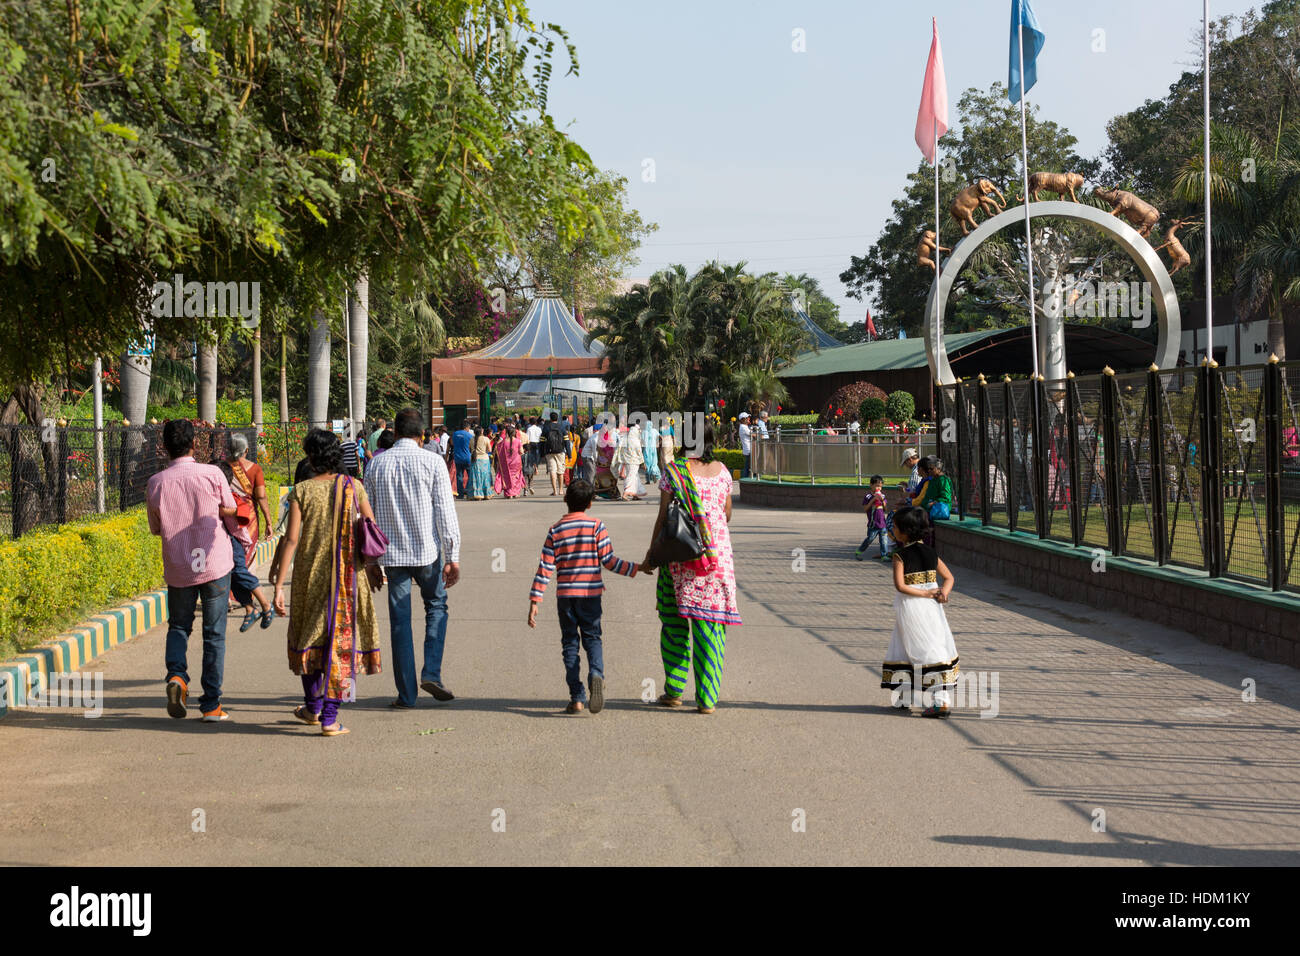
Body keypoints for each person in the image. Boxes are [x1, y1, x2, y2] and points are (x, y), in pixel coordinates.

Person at [273, 429, 383, 737]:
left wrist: (279, 585)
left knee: (308, 637)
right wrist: (373, 566)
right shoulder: (354, 486)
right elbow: (369, 528)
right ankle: (329, 718)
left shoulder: (302, 490)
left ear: (310, 458)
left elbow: (291, 539)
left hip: (311, 575)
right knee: (340, 641)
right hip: (349, 576)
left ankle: (314, 705)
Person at [641, 421, 740, 714]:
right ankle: (707, 699)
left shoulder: (674, 472)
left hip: (679, 558)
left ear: (685, 441)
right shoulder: (723, 472)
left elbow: (663, 519)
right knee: (710, 627)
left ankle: (674, 690)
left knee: (673, 624)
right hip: (715, 557)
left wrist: (651, 555)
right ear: (711, 440)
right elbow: (727, 513)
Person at [365, 407, 462, 707]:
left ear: (393, 431)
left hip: (392, 558)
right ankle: (431, 671)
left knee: (399, 622)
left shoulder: (375, 466)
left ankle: (406, 694)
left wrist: (370, 562)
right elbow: (446, 512)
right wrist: (453, 555)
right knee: (436, 605)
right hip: (427, 553)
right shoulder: (432, 461)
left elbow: (366, 519)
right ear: (422, 435)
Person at [149, 420, 238, 722]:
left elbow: (156, 527)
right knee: (214, 635)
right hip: (214, 564)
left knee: (178, 626)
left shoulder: (157, 482)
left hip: (179, 566)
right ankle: (211, 705)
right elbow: (230, 507)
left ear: (164, 447)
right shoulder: (213, 473)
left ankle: (177, 677)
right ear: (194, 445)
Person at [527, 478, 639, 714]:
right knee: (593, 638)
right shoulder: (597, 526)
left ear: (565, 499)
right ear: (590, 503)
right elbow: (609, 561)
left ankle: (576, 696)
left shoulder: (555, 530)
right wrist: (635, 568)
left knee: (569, 644)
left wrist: (535, 600)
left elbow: (545, 567)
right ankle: (596, 674)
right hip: (590, 594)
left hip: (566, 597)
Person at [880, 506, 958, 718]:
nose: (893, 530)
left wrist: (925, 594)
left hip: (911, 606)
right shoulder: (931, 553)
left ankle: (937, 701)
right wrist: (942, 593)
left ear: (905, 531)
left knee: (911, 645)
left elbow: (900, 586)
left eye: (895, 527)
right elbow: (949, 578)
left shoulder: (900, 556)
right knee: (927, 643)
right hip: (932, 609)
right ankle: (909, 697)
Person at [214, 460, 275, 631]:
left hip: (235, 542)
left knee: (239, 571)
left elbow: (243, 510)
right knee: (232, 577)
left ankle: (265, 604)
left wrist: (224, 511)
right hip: (224, 543)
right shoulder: (217, 495)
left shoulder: (229, 496)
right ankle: (250, 609)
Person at [228, 433, 272, 554]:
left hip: (227, 516)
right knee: (248, 555)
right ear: (246, 450)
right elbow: (261, 496)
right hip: (248, 517)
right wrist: (269, 522)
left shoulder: (222, 466)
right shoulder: (255, 469)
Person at [855, 475, 890, 561]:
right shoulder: (868, 496)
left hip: (882, 523)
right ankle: (859, 551)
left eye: (881, 487)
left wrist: (882, 500)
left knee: (884, 540)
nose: (879, 488)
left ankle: (884, 555)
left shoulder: (883, 496)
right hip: (873, 524)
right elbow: (866, 508)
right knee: (870, 539)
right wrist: (873, 499)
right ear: (871, 485)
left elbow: (885, 509)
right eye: (877, 486)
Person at [917, 457, 953, 521]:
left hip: (938, 510)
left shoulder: (943, 480)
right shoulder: (933, 479)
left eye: (931, 469)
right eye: (928, 468)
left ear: (938, 469)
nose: (929, 471)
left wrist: (934, 502)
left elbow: (946, 498)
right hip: (927, 509)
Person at [496, 423, 525, 498]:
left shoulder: (503, 442)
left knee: (507, 477)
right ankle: (515, 493)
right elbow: (521, 452)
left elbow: (498, 449)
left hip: (506, 463)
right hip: (516, 463)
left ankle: (509, 493)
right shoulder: (518, 441)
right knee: (516, 477)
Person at [542, 411, 568, 495]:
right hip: (560, 451)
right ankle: (561, 490)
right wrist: (569, 454)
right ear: (557, 418)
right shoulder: (561, 427)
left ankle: (555, 491)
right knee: (560, 471)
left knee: (552, 471)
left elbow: (542, 441)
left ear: (550, 418)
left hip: (549, 452)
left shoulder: (546, 427)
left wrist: (542, 453)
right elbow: (566, 441)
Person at [469, 425, 494, 500]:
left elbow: (470, 449)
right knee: (485, 477)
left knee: (476, 477)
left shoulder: (472, 439)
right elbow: (489, 450)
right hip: (484, 460)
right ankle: (486, 494)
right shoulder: (486, 439)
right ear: (481, 431)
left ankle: (477, 494)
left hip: (475, 459)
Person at [452, 420, 474, 499]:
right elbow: (472, 447)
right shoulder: (469, 435)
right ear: (466, 427)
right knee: (470, 475)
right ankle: (468, 491)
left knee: (459, 476)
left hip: (457, 458)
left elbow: (452, 443)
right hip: (467, 457)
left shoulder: (454, 434)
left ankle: (460, 494)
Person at [524, 416, 543, 495]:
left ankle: (531, 467)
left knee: (530, 457)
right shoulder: (539, 429)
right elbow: (541, 437)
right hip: (537, 443)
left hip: (531, 443)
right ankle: (536, 468)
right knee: (536, 457)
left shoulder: (529, 429)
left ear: (530, 422)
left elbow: (527, 438)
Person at [642, 417, 661, 485]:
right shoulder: (654, 431)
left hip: (646, 450)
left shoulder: (644, 432)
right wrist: (658, 443)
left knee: (647, 464)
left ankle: (648, 480)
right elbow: (660, 437)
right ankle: (654, 474)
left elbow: (641, 441)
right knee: (654, 462)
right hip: (653, 449)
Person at [738, 412, 752, 478]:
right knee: (748, 467)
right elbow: (753, 434)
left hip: (748, 450)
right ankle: (745, 480)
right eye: (747, 418)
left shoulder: (744, 426)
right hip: (748, 450)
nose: (748, 419)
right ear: (743, 419)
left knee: (748, 467)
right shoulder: (743, 427)